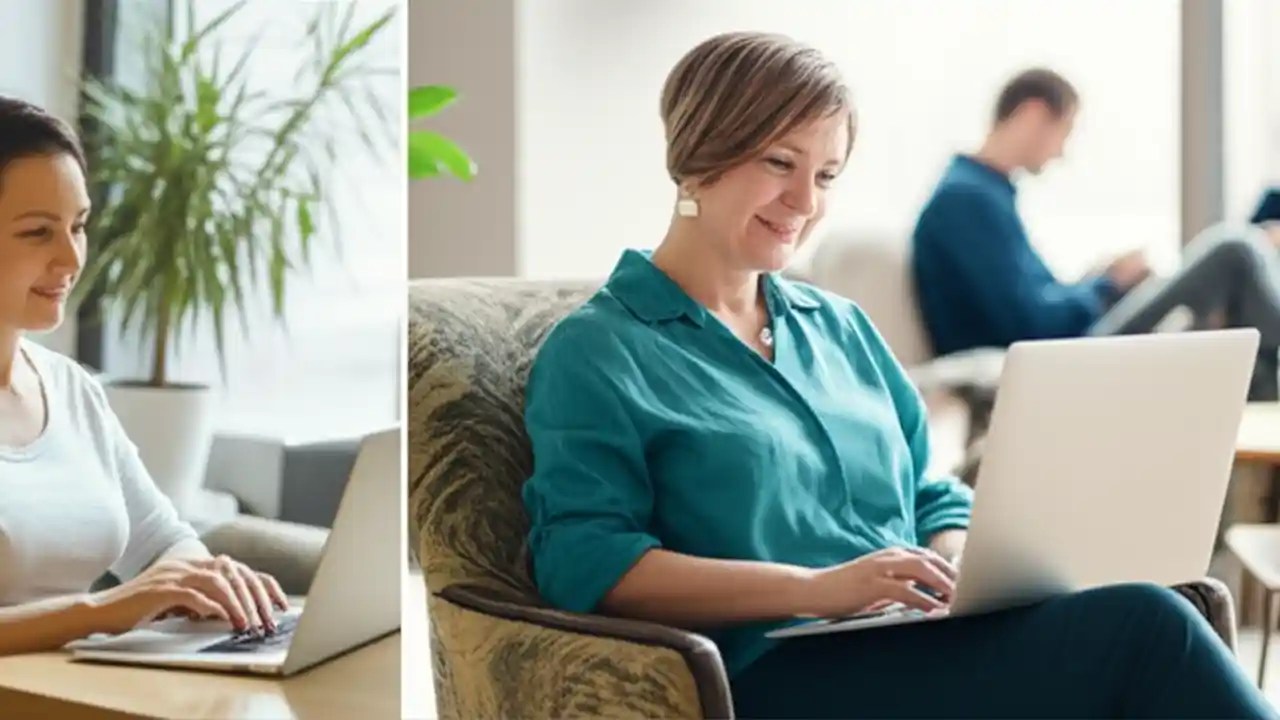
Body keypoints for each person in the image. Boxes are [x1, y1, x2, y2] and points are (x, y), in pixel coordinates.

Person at [520, 33, 1276, 718]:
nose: (805, 202)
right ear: (696, 155)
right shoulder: (599, 351)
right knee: (1148, 629)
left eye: (827, 173)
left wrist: (959, 559)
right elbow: (585, 559)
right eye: (779, 163)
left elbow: (927, 489)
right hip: (780, 669)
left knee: (1147, 608)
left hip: (919, 637)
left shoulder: (840, 327)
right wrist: (816, 589)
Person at [0, 96, 287, 656]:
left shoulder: (72, 390)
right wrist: (104, 611)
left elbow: (165, 542)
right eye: (37, 233)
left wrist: (195, 580)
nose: (71, 258)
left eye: (78, 227)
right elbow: (110, 605)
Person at [912, 68, 1280, 400]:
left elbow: (1030, 298)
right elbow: (1028, 324)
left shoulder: (984, 194)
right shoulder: (966, 201)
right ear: (1033, 115)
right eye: (1064, 131)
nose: (1062, 152)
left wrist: (1096, 279)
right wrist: (1107, 285)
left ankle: (1262, 399)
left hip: (1066, 347)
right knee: (1235, 250)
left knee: (1218, 309)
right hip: (1059, 359)